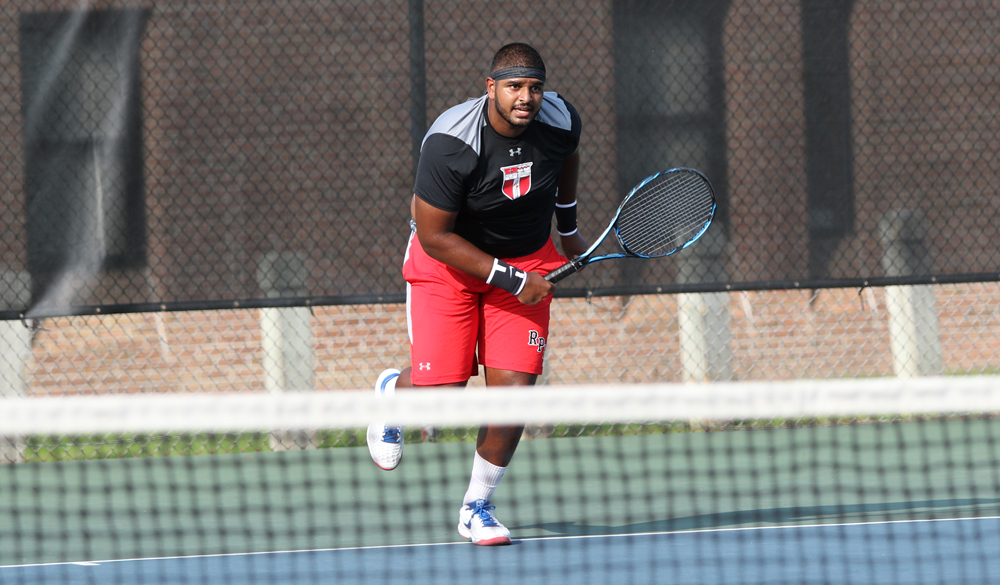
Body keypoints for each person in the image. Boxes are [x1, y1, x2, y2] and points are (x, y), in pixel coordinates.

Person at [367, 42, 587, 546]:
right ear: (490, 88)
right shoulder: (451, 143)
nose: (526, 98)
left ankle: (477, 507)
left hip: (527, 259)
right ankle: (392, 397)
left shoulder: (560, 121)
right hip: (450, 266)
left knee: (512, 396)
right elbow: (433, 237)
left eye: (534, 87)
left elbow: (565, 161)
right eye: (514, 87)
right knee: (442, 396)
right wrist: (513, 279)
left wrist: (569, 227)